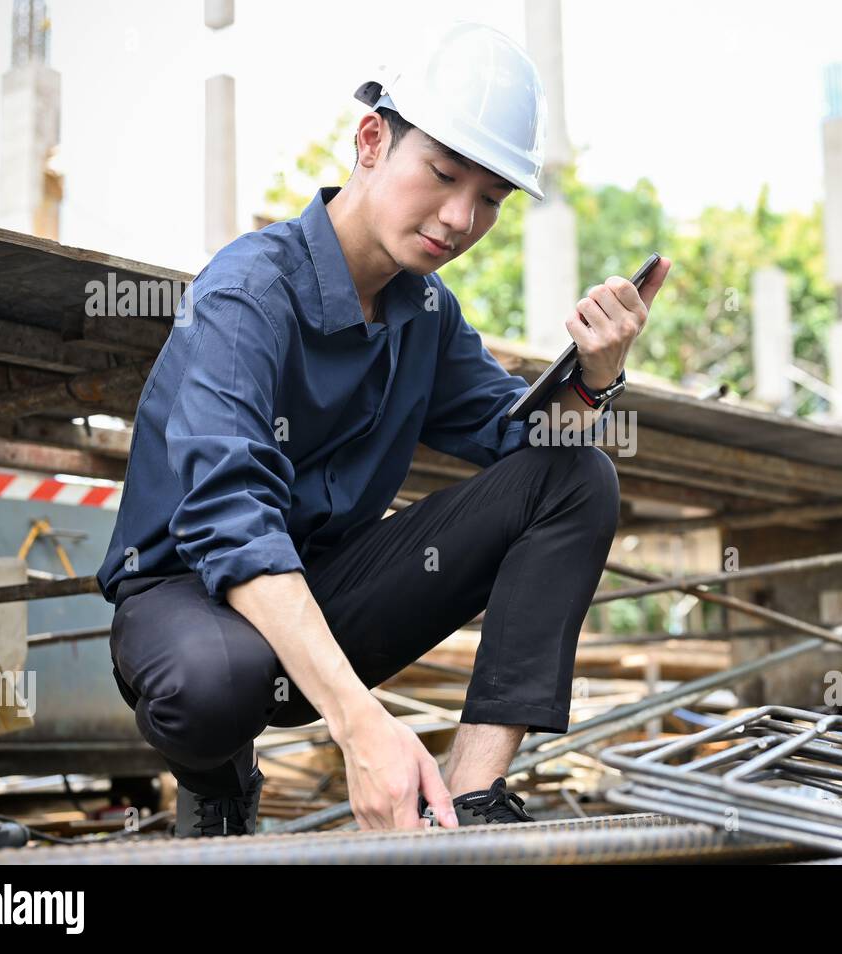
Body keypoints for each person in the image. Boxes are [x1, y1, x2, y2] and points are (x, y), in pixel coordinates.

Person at [95, 19, 672, 837]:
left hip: (328, 598)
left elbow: (524, 446)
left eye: (490, 199)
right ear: (372, 140)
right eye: (442, 174)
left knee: (575, 476)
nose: (460, 217)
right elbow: (231, 524)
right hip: (191, 601)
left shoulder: (427, 313)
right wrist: (361, 725)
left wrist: (597, 376)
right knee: (213, 681)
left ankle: (472, 801)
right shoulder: (248, 293)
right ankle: (221, 785)